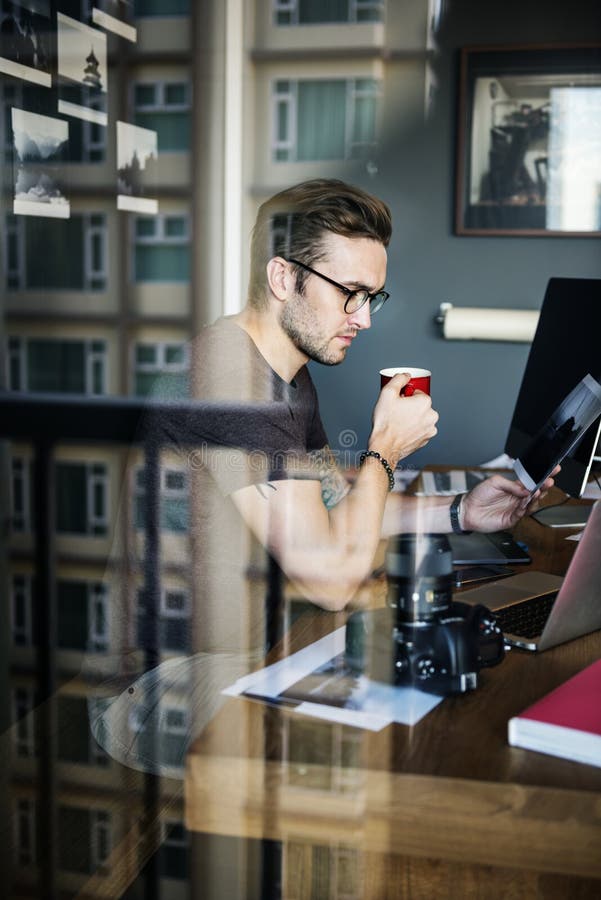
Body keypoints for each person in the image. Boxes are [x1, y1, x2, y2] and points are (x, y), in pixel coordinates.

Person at [88, 177, 554, 774]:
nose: (362, 318)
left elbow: (337, 511)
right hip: (160, 684)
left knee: (436, 689)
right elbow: (332, 578)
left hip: (256, 647)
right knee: (369, 751)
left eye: (373, 298)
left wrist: (463, 511)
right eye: (350, 293)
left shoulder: (286, 375)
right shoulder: (229, 379)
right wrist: (385, 449)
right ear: (283, 278)